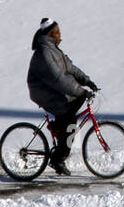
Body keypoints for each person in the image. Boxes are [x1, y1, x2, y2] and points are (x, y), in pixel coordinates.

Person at [27, 18, 99, 175]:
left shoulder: (53, 49)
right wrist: (80, 91)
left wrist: (87, 81)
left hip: (53, 90)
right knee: (69, 117)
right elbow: (57, 79)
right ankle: (58, 157)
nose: (61, 35)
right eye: (58, 32)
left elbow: (70, 68)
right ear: (50, 34)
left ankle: (60, 132)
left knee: (69, 116)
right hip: (43, 92)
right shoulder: (44, 53)